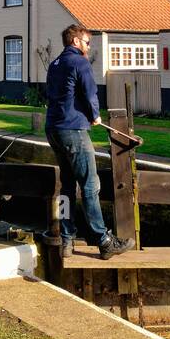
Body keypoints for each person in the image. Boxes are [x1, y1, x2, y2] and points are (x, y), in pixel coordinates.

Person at [44, 24, 135, 260]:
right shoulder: (80, 62)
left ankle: (66, 240)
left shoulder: (55, 64)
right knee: (90, 185)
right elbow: (89, 92)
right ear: (75, 41)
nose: (88, 47)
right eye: (86, 42)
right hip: (73, 130)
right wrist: (95, 115)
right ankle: (103, 241)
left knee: (66, 187)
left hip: (53, 129)